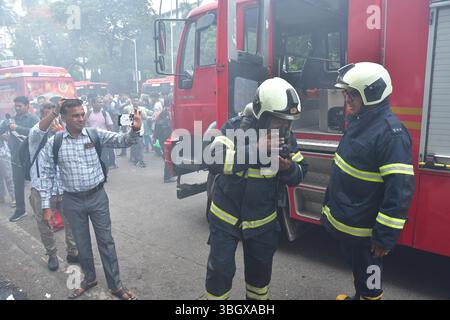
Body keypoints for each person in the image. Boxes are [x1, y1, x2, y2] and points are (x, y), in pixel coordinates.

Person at [205, 78, 308, 300]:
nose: (285, 128)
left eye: (288, 122)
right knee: (220, 272)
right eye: (279, 122)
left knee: (259, 280)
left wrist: (288, 169)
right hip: (226, 218)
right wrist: (255, 150)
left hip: (262, 223)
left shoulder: (287, 139)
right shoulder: (234, 128)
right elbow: (213, 160)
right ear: (262, 116)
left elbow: (300, 173)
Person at [321, 62, 415, 300]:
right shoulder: (360, 120)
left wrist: (384, 237)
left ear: (372, 93)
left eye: (352, 94)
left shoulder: (390, 134)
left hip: (367, 233)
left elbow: (400, 191)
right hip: (354, 226)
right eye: (346, 93)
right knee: (359, 270)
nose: (347, 100)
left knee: (372, 278)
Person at [39, 99, 141, 300]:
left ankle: (115, 285)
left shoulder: (94, 134)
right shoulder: (55, 142)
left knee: (106, 242)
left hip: (97, 198)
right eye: (75, 115)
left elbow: (122, 140)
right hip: (72, 201)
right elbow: (46, 174)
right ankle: (89, 278)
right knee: (81, 243)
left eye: (82, 114)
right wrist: (46, 207)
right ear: (64, 118)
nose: (80, 118)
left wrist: (135, 130)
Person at [28, 102, 78, 271]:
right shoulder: (36, 136)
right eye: (49, 116)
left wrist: (61, 135)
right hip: (42, 190)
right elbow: (39, 129)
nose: (53, 121)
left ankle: (73, 251)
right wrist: (54, 112)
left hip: (63, 187)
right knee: (45, 225)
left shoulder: (62, 134)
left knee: (71, 222)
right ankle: (51, 254)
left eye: (56, 117)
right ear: (43, 117)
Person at [0, 96, 39, 222]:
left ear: (27, 106)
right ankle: (20, 210)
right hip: (16, 159)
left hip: (31, 158)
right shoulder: (11, 120)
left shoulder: (33, 118)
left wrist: (16, 128)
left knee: (37, 185)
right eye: (15, 106)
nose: (17, 108)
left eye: (20, 106)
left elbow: (36, 133)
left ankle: (39, 209)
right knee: (18, 185)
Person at [86, 96, 117, 170]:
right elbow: (85, 125)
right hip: (92, 140)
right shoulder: (88, 113)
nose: (101, 104)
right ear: (93, 104)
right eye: (99, 102)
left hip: (103, 140)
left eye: (101, 102)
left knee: (104, 157)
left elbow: (110, 126)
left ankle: (104, 172)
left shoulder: (105, 113)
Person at [123, 97, 147, 168]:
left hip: (139, 130)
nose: (135, 102)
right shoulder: (128, 109)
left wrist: (140, 113)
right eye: (134, 100)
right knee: (133, 146)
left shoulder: (142, 109)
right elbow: (125, 120)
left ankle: (140, 160)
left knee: (139, 146)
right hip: (131, 130)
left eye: (137, 100)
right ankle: (134, 158)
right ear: (132, 101)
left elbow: (145, 117)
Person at [154, 102, 172, 182]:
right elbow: (159, 128)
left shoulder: (164, 115)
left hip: (164, 139)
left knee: (167, 157)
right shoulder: (164, 116)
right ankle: (167, 177)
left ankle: (168, 175)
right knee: (167, 157)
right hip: (165, 139)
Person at [0, 132, 14, 206]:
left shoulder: (4, 122)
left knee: (8, 175)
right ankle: (1, 196)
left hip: (3, 153)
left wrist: (2, 135)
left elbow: (7, 136)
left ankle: (14, 197)